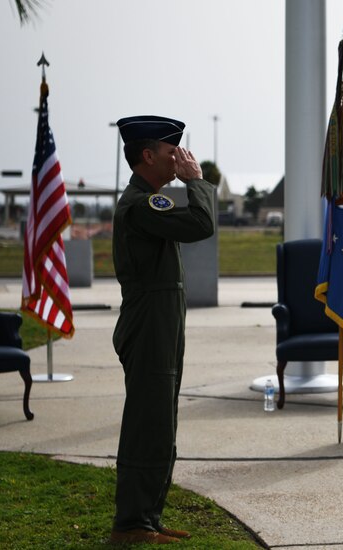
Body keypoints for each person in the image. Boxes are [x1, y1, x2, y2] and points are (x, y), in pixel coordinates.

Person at [109, 115, 216, 545]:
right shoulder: (141, 204)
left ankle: (147, 518)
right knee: (148, 422)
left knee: (161, 421)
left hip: (162, 321)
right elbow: (200, 225)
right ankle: (131, 522)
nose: (180, 158)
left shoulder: (150, 200)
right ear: (147, 155)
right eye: (172, 152)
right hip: (150, 322)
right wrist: (197, 182)